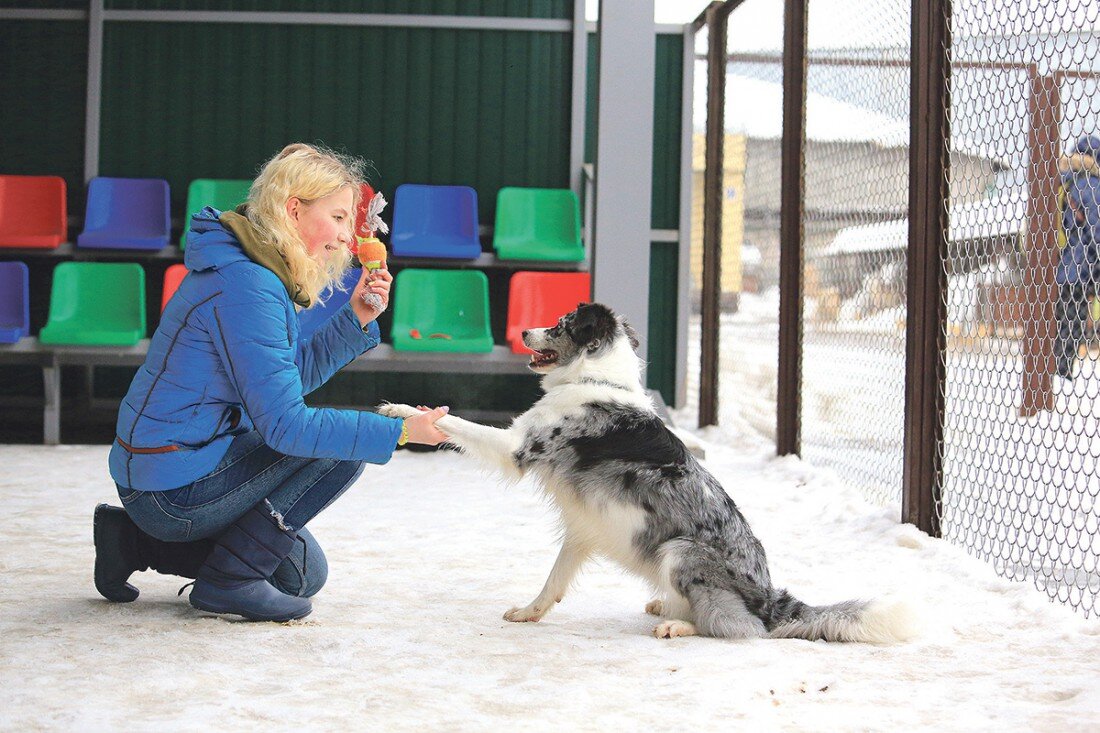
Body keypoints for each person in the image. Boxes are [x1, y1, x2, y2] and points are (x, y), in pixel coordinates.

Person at [93, 143, 449, 622]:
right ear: (294, 209)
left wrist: (357, 316)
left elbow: (286, 381)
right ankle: (228, 581)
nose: (348, 237)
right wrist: (402, 431)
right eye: (340, 217)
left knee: (301, 576)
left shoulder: (250, 270)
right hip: (170, 487)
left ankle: (130, 541)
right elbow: (285, 425)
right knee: (338, 452)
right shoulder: (249, 285)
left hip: (171, 469)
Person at [1054, 135, 1100, 380]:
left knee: (1056, 327)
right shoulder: (1092, 186)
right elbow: (1097, 232)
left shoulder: (1062, 184)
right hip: (1081, 271)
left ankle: (1046, 379)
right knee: (1072, 329)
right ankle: (1060, 379)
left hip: (1058, 269)